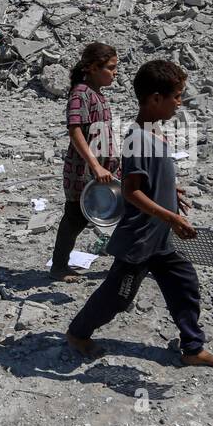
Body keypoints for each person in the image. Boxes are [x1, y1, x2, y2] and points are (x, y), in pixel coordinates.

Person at [67, 60, 213, 369]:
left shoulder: (153, 132)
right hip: (140, 239)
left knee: (184, 285)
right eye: (176, 96)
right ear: (155, 98)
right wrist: (172, 217)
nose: (179, 103)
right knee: (119, 296)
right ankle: (78, 333)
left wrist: (171, 192)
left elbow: (151, 180)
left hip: (161, 237)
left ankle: (192, 347)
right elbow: (131, 191)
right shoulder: (138, 139)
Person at [51, 43, 121, 282]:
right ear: (92, 67)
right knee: (74, 218)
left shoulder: (96, 94)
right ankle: (59, 266)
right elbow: (75, 131)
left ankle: (131, 262)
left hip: (102, 169)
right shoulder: (81, 93)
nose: (115, 73)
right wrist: (95, 165)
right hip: (84, 172)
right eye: (110, 68)